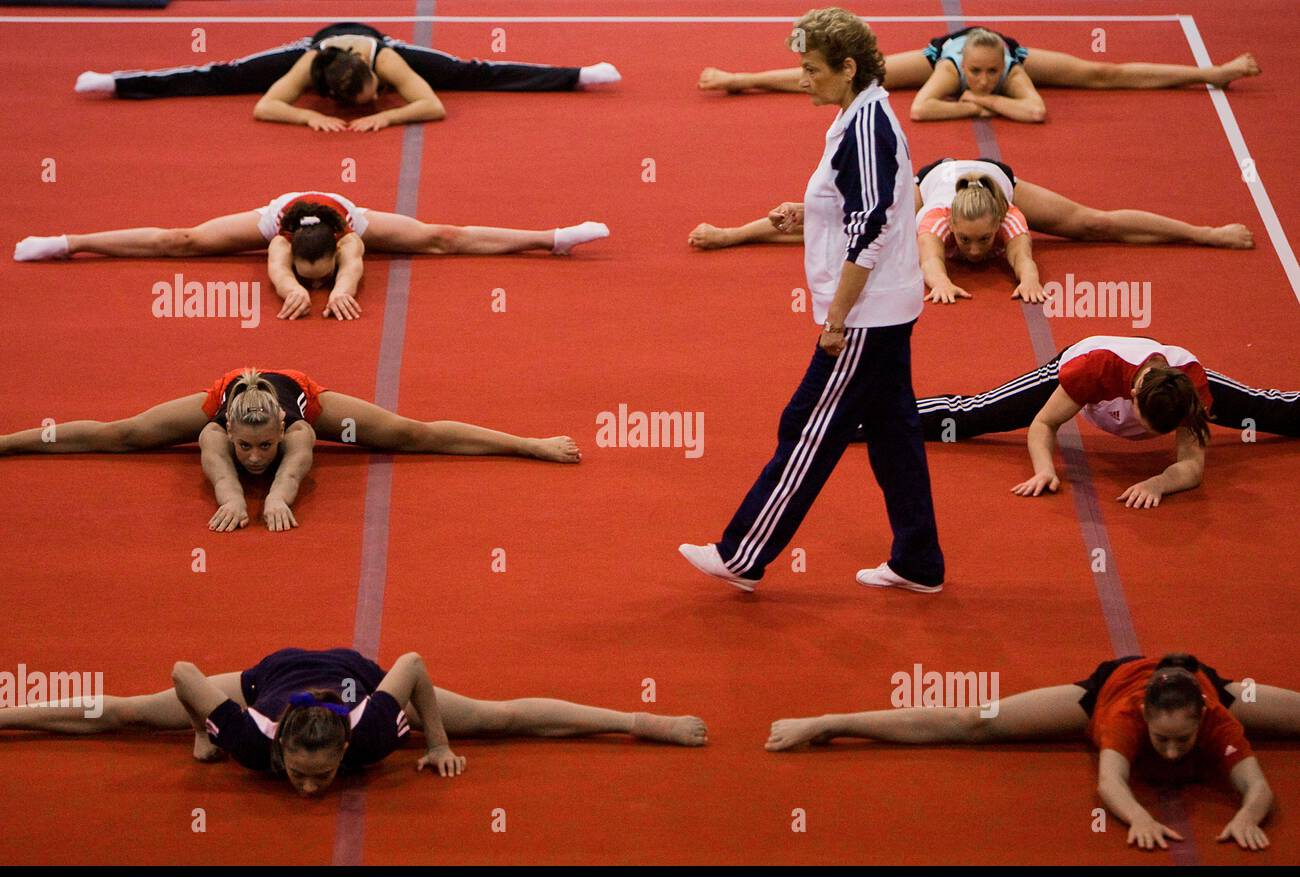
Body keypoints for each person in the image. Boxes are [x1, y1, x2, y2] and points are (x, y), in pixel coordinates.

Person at [678, 8, 944, 595]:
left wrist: (838, 317)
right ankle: (919, 559)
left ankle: (743, 554)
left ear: (848, 69)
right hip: (887, 309)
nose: (802, 80)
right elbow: (868, 207)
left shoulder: (866, 129)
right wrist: (811, 214)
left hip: (867, 316)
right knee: (895, 431)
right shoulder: (858, 115)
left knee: (807, 428)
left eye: (811, 70)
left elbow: (872, 226)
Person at [0, 647, 708, 796]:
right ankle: (10, 715)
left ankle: (645, 720)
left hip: (356, 675)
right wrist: (205, 719)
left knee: (500, 717)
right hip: (262, 684)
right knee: (125, 713)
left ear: (346, 751)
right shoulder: (255, 743)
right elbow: (182, 670)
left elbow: (413, 663)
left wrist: (435, 742)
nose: (310, 790)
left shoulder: (372, 729)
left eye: (321, 776)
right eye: (302, 776)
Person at [766, 653, 1295, 852]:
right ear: (1146, 724)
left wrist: (1250, 815)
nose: (1175, 754)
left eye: (1184, 739)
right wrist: (1139, 818)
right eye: (1163, 741)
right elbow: (1111, 782)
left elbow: (1257, 787)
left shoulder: (1219, 711)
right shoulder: (1124, 717)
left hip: (1205, 681)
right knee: (974, 721)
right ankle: (832, 720)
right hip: (1108, 686)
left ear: (1204, 718)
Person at [0, 368, 582, 532]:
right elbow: (102, 433)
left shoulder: (304, 426)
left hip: (298, 389)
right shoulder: (211, 425)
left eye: (263, 447)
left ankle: (524, 444)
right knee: (120, 435)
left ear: (280, 431)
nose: (256, 458)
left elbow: (292, 473)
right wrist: (231, 497)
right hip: (231, 394)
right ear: (230, 431)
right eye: (246, 448)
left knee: (412, 434)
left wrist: (278, 498)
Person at [689, 157, 1252, 308]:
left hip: (994, 178)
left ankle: (1206, 232)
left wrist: (1028, 278)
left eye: (984, 242)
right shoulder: (934, 218)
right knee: (855, 222)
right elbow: (932, 258)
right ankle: (733, 232)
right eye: (972, 241)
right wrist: (937, 282)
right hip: (936, 178)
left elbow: (1027, 260)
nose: (978, 252)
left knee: (1091, 223)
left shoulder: (1008, 216)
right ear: (954, 223)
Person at [14, 191, 608, 320]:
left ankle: (552, 236)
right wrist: (286, 287)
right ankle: (69, 242)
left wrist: (346, 288)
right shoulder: (275, 237)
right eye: (313, 280)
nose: (317, 288)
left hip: (345, 209)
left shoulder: (354, 238)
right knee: (183, 239)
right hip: (286, 208)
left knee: (442, 236)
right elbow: (276, 268)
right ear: (292, 251)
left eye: (316, 284)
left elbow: (352, 266)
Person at [909, 335, 1298, 507]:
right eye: (1145, 426)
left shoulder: (1192, 389)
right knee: (974, 414)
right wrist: (1044, 469)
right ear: (1132, 397)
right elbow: (1044, 425)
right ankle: (869, 416)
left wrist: (1159, 481)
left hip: (1170, 378)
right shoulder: (1092, 371)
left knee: (1273, 410)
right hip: (1076, 364)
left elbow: (1192, 465)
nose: (1145, 437)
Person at [75, 21, 621, 129]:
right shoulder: (308, 66)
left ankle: (578, 74)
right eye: (367, 104)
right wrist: (307, 122)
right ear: (328, 93)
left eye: (375, 98)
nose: (376, 102)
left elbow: (432, 103)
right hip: (323, 42)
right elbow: (264, 105)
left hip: (367, 36)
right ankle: (120, 81)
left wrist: (388, 120)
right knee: (224, 73)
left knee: (470, 71)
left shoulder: (386, 62)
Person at [699, 24, 1258, 123]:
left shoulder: (1011, 69)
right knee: (846, 76)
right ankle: (737, 77)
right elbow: (920, 107)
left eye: (991, 76)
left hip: (999, 44)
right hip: (943, 51)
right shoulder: (947, 67)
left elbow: (1036, 111)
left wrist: (985, 98)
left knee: (1101, 72)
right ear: (964, 67)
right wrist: (977, 96)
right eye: (978, 74)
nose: (985, 80)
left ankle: (1212, 71)